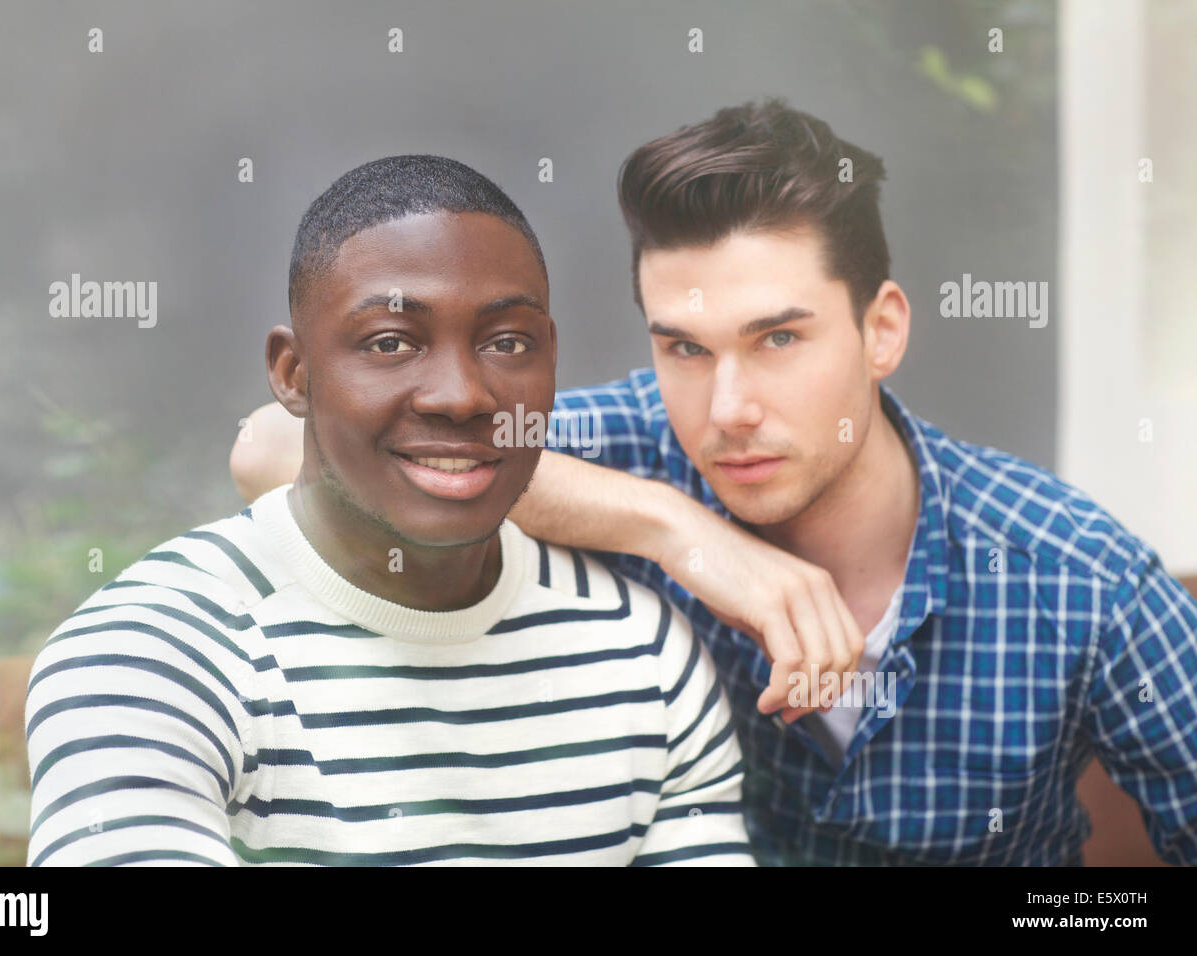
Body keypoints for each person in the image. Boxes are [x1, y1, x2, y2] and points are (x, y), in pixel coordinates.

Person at [233, 100, 1197, 866]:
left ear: (882, 330)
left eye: (778, 338)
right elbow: (274, 445)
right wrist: (679, 530)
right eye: (685, 347)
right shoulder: (633, 450)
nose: (727, 407)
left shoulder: (1082, 577)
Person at [25, 155, 755, 866]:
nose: (461, 395)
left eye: (507, 342)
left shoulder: (643, 655)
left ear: (552, 360)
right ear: (293, 373)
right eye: (390, 342)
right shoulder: (155, 652)